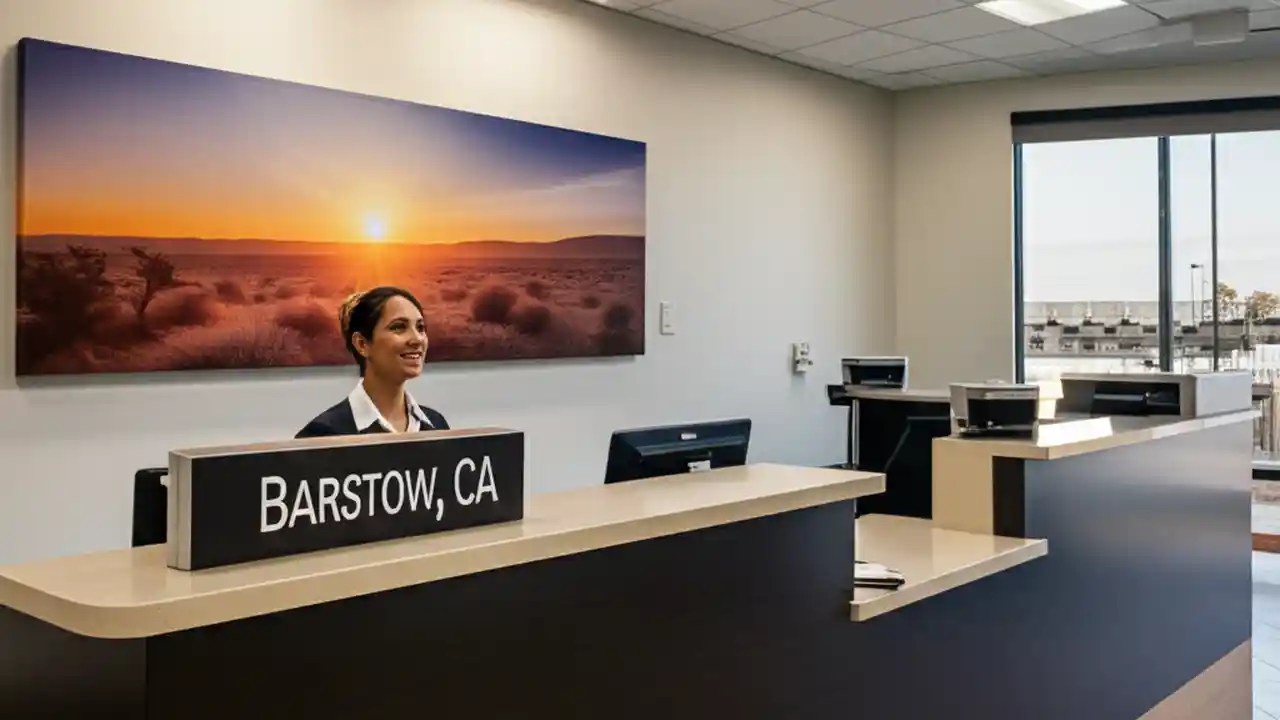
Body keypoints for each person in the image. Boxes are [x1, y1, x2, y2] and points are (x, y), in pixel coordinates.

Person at [296, 286, 449, 438]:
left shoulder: (437, 425)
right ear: (362, 344)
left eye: (420, 327)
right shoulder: (323, 434)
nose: (417, 339)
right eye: (398, 327)